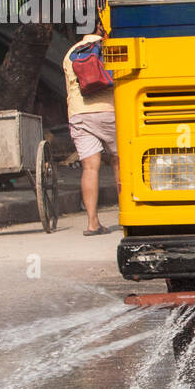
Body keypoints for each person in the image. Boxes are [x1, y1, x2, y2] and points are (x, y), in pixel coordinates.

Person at [63, 17, 118, 235]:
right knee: (119, 162)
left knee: (90, 168)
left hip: (79, 114)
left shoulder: (70, 54)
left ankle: (92, 223)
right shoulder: (110, 48)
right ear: (100, 26)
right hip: (110, 111)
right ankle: (128, 215)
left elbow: (68, 88)